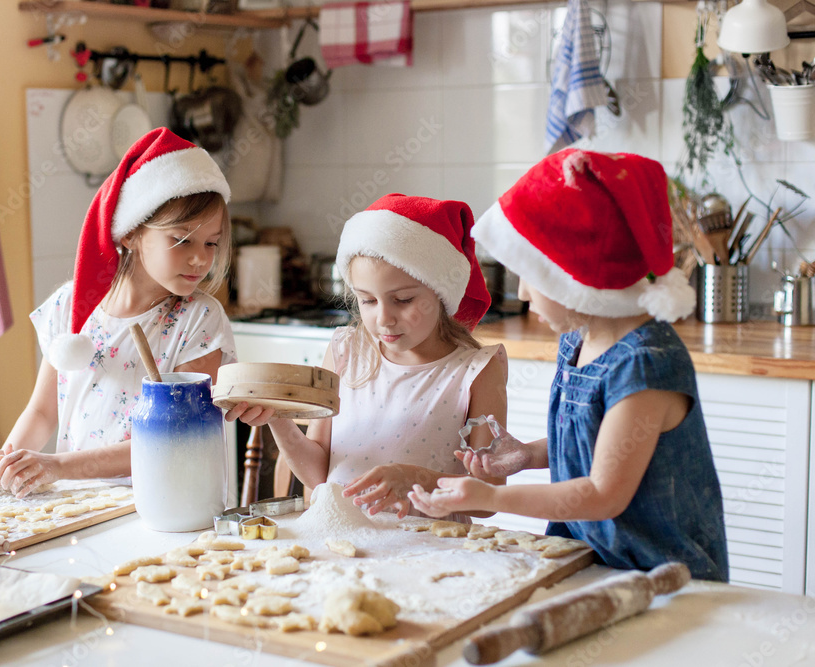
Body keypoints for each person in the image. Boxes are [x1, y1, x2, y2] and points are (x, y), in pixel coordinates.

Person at [408, 149, 729, 582]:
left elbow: (602, 495)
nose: (522, 294)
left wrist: (489, 497)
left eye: (533, 276)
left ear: (576, 274)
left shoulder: (645, 367)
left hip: (661, 576)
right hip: (592, 559)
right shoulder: (579, 341)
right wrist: (528, 455)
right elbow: (593, 442)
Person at [0, 129, 237, 497]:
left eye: (211, 243)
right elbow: (43, 412)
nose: (200, 259)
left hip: (161, 508)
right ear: (129, 234)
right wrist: (6, 462)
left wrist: (56, 466)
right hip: (77, 506)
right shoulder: (70, 307)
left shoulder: (200, 322)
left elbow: (174, 434)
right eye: (181, 239)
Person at [226, 194, 508, 520]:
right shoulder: (345, 350)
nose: (384, 318)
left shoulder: (476, 371)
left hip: (431, 554)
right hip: (343, 544)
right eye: (367, 300)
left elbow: (490, 496)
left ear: (442, 292)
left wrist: (419, 480)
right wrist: (277, 417)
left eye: (402, 299)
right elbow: (319, 474)